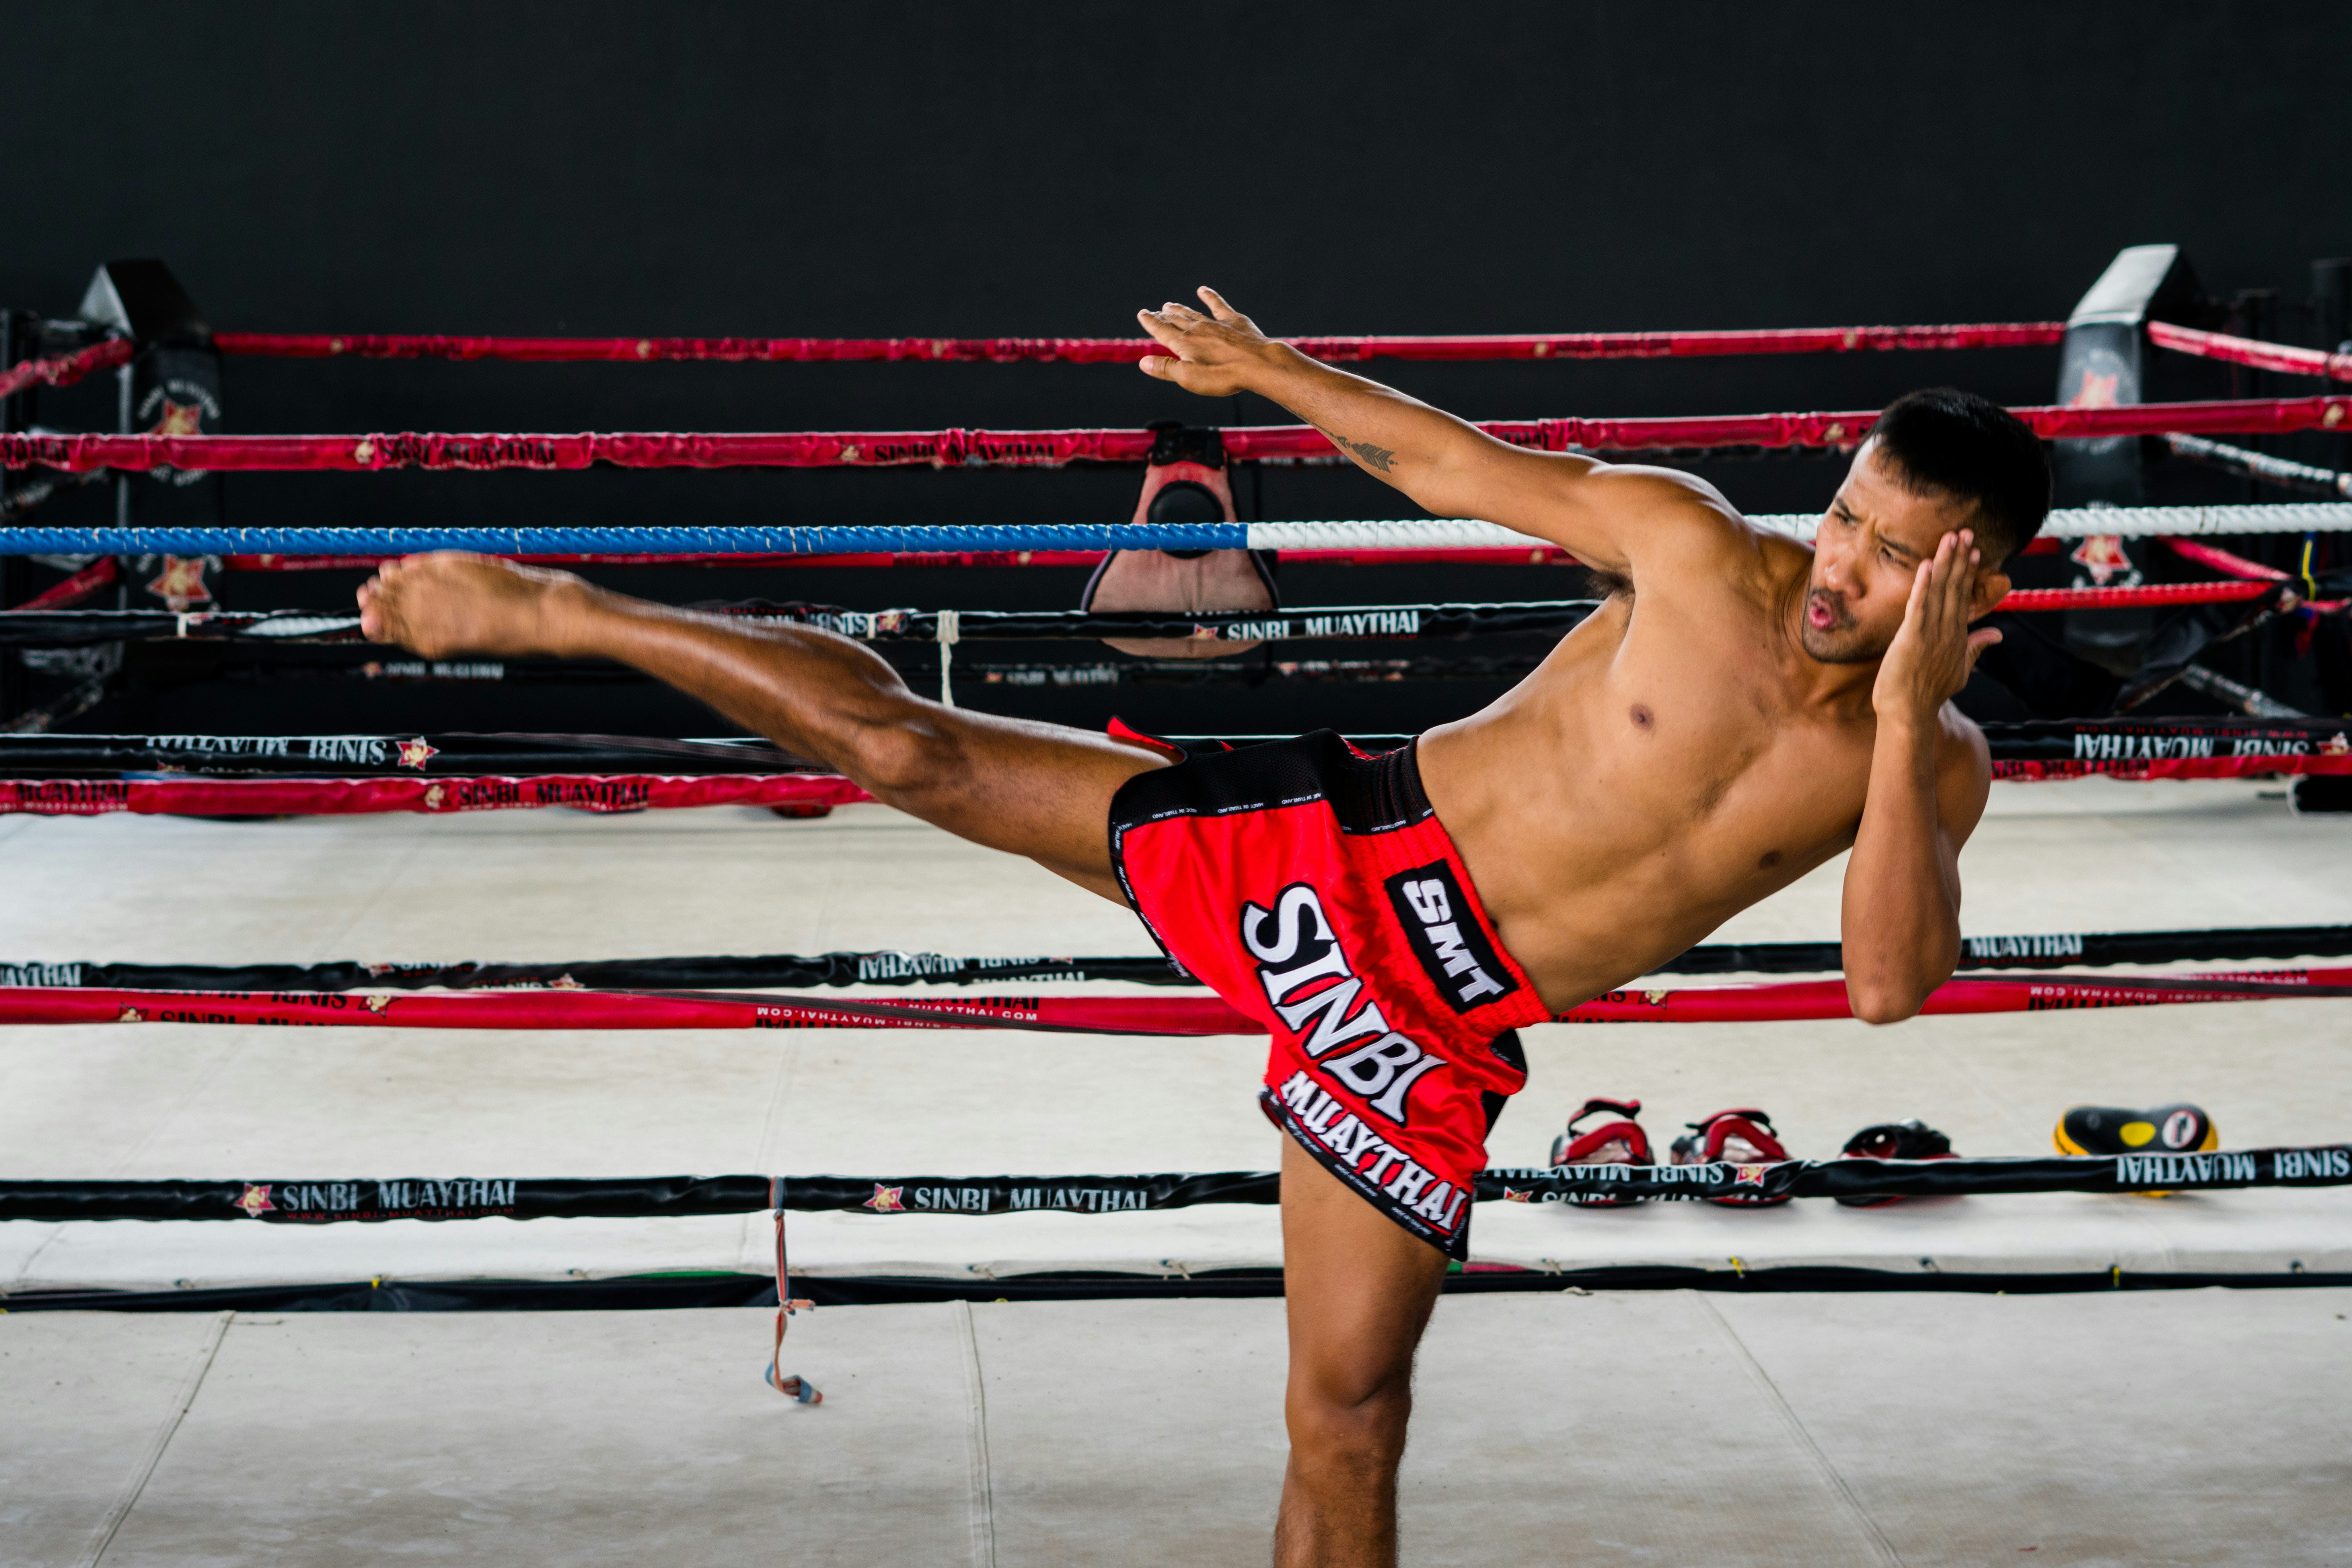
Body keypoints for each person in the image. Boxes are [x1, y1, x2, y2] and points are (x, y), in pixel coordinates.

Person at [355, 287, 2048, 1568]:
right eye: (1842, 514)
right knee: (907, 749)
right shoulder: (1690, 548)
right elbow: (1454, 463)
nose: (1836, 568)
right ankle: (565, 605)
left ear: (1970, 580)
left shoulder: (1927, 764)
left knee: (1348, 1415)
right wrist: (1269, 379)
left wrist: (1902, 714)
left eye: (1893, 558)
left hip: (1432, 1026)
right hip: (1326, 853)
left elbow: (1886, 984)